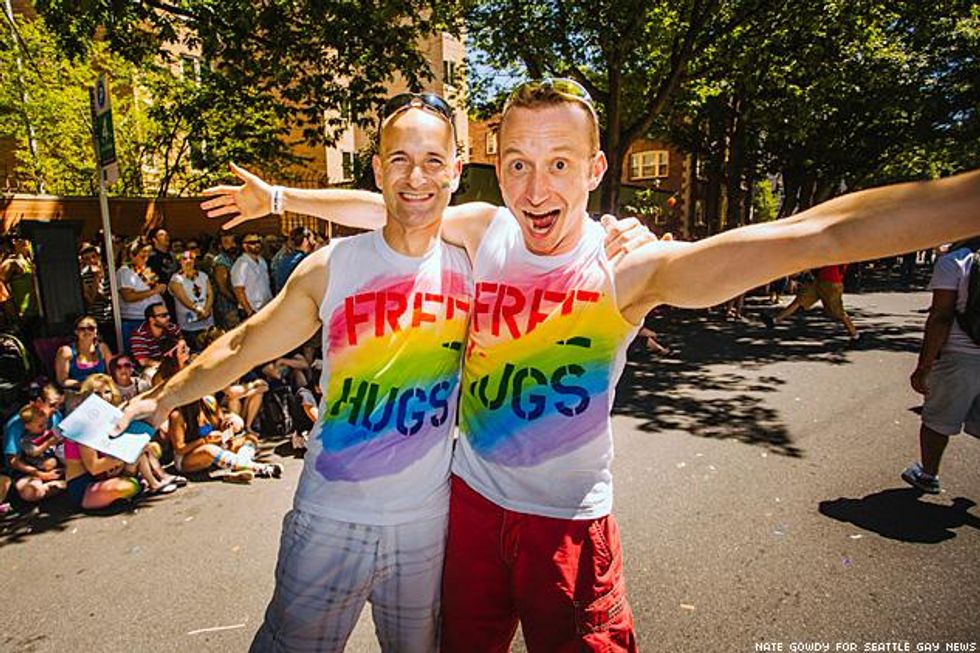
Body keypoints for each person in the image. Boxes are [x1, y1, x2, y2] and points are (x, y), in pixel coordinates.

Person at [203, 79, 980, 652]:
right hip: (468, 511)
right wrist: (277, 195)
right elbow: (394, 204)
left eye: (560, 165)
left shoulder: (627, 269)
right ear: (493, 169)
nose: (537, 190)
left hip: (566, 530)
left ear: (597, 167)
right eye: (517, 165)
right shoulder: (482, 229)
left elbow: (815, 235)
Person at [902, 237, 980, 493]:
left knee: (937, 420)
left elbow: (941, 316)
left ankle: (928, 474)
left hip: (960, 355)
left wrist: (924, 366)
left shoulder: (956, 261)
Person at [166, 395, 281, 483]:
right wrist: (205, 440)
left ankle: (239, 467)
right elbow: (180, 448)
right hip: (187, 458)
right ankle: (261, 468)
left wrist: (227, 426)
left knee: (250, 438)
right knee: (209, 449)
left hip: (215, 445)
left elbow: (220, 423)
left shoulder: (208, 401)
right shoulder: (177, 415)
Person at [3, 385, 66, 504]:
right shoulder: (17, 424)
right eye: (52, 405)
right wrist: (41, 475)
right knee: (30, 492)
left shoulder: (56, 416)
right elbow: (13, 461)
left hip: (52, 462)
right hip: (27, 469)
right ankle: (59, 485)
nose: (56, 409)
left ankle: (60, 484)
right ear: (38, 402)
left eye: (60, 405)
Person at [765, 264, 859, 342]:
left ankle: (855, 335)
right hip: (819, 281)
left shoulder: (838, 253)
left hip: (832, 283)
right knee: (800, 300)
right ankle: (775, 320)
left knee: (838, 311)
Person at [117, 239, 168, 352]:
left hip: (155, 319)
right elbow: (128, 297)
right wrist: (154, 291)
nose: (146, 256)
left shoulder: (145, 270)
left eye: (148, 253)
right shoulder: (125, 271)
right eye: (142, 253)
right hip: (136, 320)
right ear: (132, 254)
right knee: (140, 354)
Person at [54, 315, 114, 393]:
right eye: (82, 329)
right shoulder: (66, 351)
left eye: (91, 328)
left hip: (102, 391)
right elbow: (62, 381)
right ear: (76, 332)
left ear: (96, 332)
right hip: (78, 392)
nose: (87, 331)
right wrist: (84, 385)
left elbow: (112, 373)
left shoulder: (102, 348)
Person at [168, 249, 214, 349]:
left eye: (191, 258)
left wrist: (206, 309)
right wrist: (199, 310)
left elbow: (210, 294)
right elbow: (183, 299)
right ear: (180, 261)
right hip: (189, 326)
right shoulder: (176, 279)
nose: (188, 261)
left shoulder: (203, 275)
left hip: (207, 322)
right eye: (184, 259)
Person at [78, 244, 116, 351]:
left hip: (114, 317)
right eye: (87, 259)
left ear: (99, 256)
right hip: (98, 319)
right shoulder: (84, 276)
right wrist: (96, 278)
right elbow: (90, 299)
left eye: (93, 256)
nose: (91, 260)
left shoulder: (111, 271)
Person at [129, 302, 183, 370]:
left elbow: (183, 348)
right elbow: (143, 361)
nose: (168, 317)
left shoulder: (173, 328)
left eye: (168, 314)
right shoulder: (139, 334)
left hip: (173, 365)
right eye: (163, 315)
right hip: (151, 369)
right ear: (152, 319)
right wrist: (165, 366)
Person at [231, 233, 272, 320]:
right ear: (244, 246)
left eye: (258, 242)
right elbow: (238, 290)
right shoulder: (241, 264)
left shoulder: (262, 261)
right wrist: (249, 311)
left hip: (266, 308)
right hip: (251, 311)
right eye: (252, 242)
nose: (257, 245)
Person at [270, 226, 315, 294]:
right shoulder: (305, 261)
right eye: (312, 239)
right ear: (305, 241)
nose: (314, 242)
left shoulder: (283, 260)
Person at [209, 233, 241, 330]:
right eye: (226, 242)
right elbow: (222, 288)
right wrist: (237, 301)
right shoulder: (221, 261)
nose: (231, 245)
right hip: (227, 307)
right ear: (220, 246)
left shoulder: (233, 259)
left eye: (233, 242)